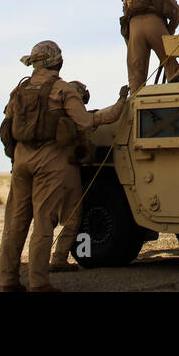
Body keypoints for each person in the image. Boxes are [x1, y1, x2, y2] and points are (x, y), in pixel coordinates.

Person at [0, 40, 120, 292]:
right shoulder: (62, 90)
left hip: (21, 159)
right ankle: (39, 283)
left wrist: (15, 156)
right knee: (43, 221)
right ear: (57, 61)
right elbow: (86, 122)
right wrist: (119, 108)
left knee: (15, 221)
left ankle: (8, 280)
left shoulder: (18, 91)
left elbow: (7, 127)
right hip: (51, 160)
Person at [50, 80, 129, 271]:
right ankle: (59, 259)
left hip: (48, 170)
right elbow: (107, 116)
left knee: (48, 219)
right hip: (69, 171)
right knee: (73, 217)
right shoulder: (80, 118)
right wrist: (122, 100)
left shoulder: (52, 117)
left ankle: (39, 260)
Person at [120, 0, 179, 92]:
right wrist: (169, 32)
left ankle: (135, 97)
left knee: (136, 70)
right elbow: (176, 13)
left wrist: (130, 42)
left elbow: (125, 22)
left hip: (134, 28)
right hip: (155, 25)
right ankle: (175, 90)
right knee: (169, 61)